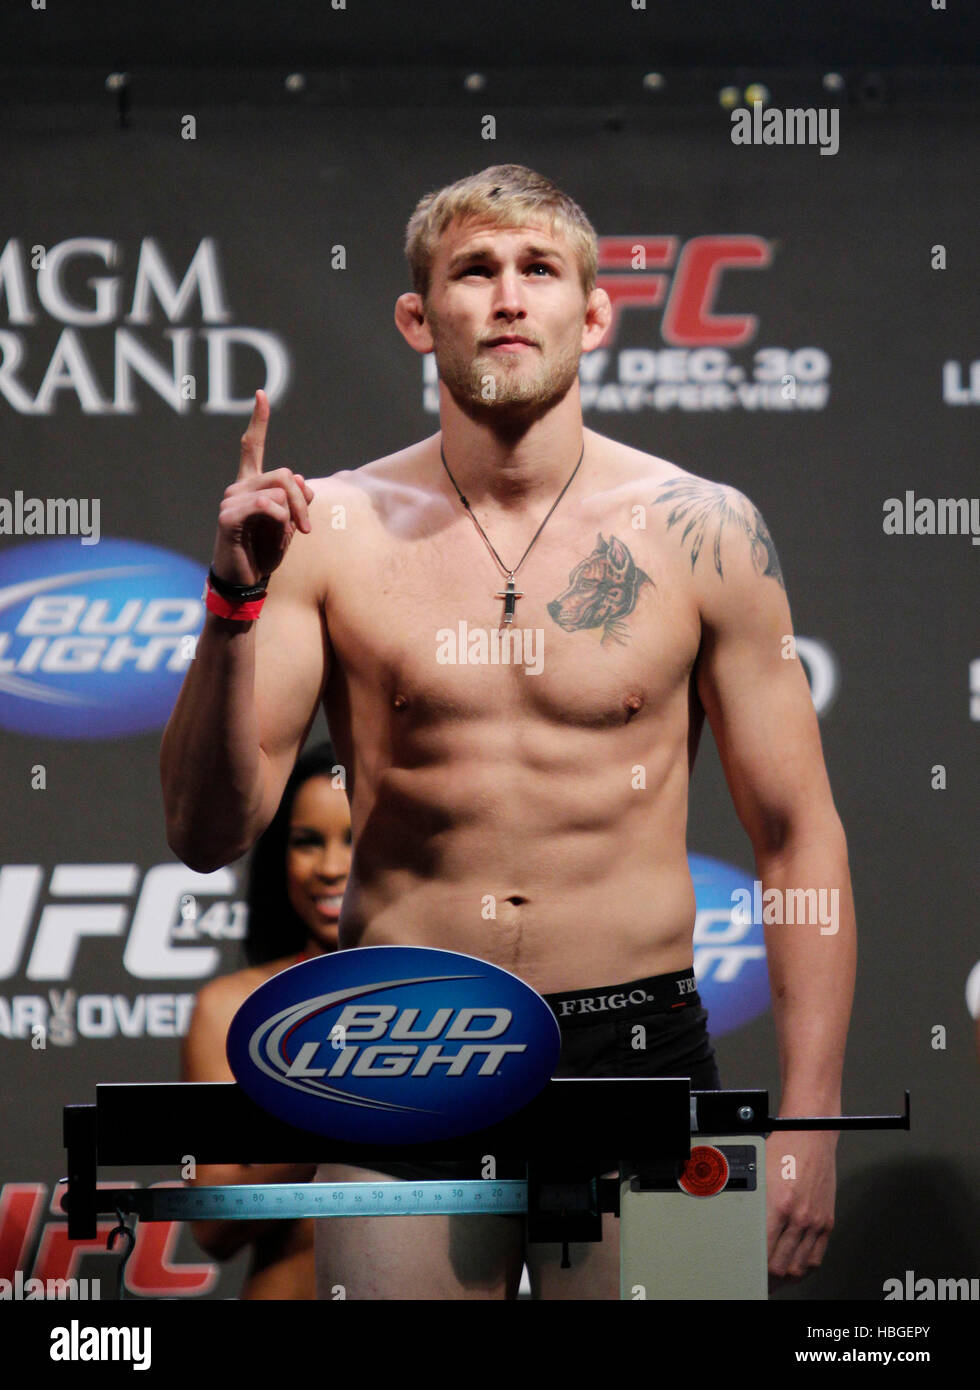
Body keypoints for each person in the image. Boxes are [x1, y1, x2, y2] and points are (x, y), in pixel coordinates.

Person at [161, 162, 856, 1300]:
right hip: (402, 1046)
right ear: (416, 317)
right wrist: (232, 608)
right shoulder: (325, 532)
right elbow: (204, 829)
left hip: (643, 1052)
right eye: (471, 271)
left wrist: (812, 1117)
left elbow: (795, 838)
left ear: (592, 312)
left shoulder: (703, 532)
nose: (505, 296)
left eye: (538, 270)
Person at [180, 740, 350, 1299]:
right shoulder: (231, 1008)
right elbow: (213, 1225)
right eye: (307, 842)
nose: (331, 867)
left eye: (355, 840)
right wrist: (340, 1098)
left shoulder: (465, 1002)